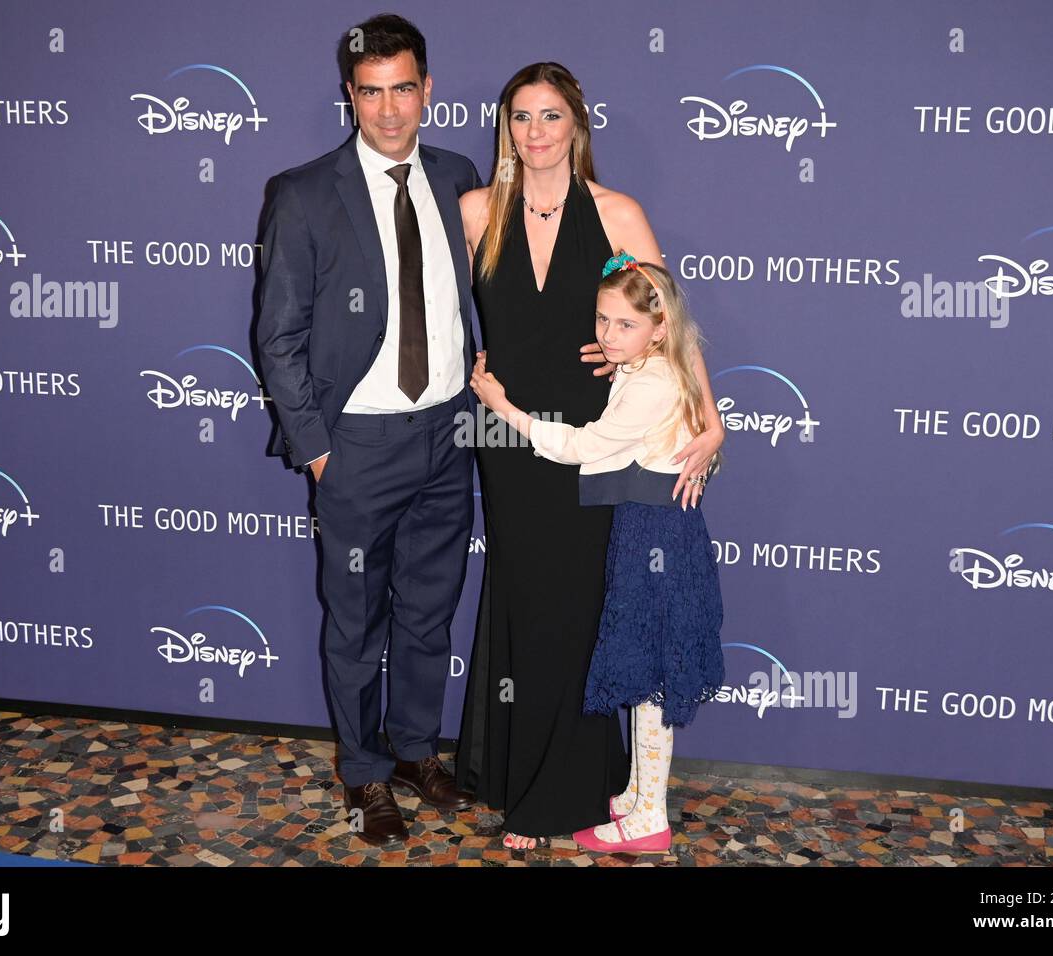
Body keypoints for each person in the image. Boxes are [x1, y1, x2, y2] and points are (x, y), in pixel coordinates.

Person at [453, 63, 725, 849]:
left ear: (577, 124)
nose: (535, 132)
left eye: (550, 116)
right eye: (520, 118)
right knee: (522, 605)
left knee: (577, 612)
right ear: (505, 128)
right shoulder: (476, 212)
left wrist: (710, 421)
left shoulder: (616, 213)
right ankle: (517, 772)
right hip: (505, 441)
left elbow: (672, 324)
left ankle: (559, 795)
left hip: (592, 445)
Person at [255, 14, 481, 846]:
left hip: (450, 437)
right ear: (348, 97)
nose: (389, 111)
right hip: (356, 443)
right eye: (370, 92)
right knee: (355, 620)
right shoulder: (304, 192)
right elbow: (276, 335)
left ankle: (417, 749)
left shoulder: (461, 177)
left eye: (404, 89)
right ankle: (363, 775)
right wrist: (316, 446)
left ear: (428, 90)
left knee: (430, 610)